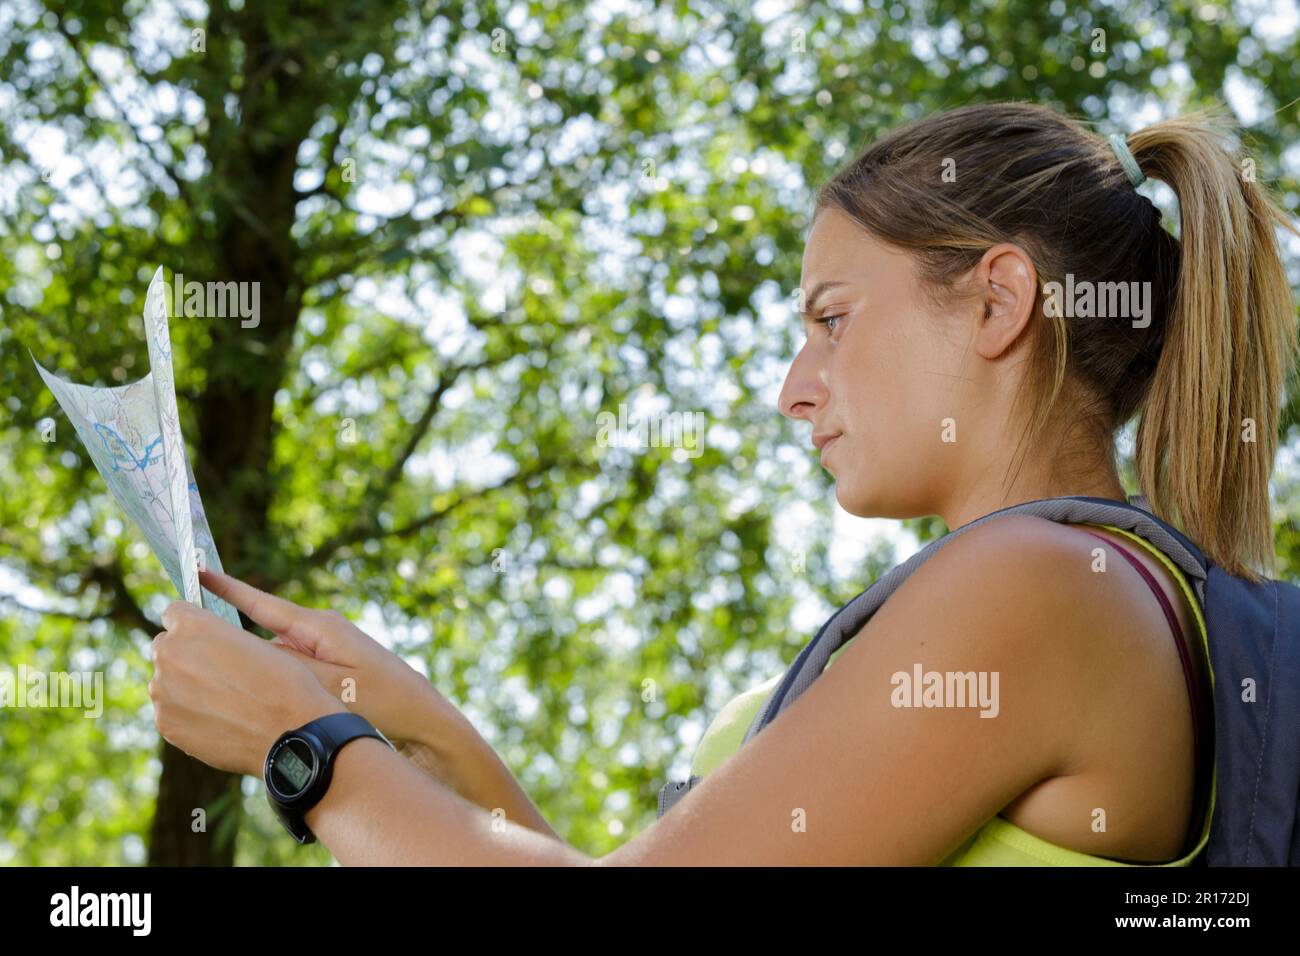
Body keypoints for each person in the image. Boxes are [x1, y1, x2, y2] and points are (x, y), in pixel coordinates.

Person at [149, 101, 1298, 865]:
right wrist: (410, 723)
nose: (795, 389)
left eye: (832, 321)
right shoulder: (1061, 587)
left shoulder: (1042, 587)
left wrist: (307, 751)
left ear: (999, 303)